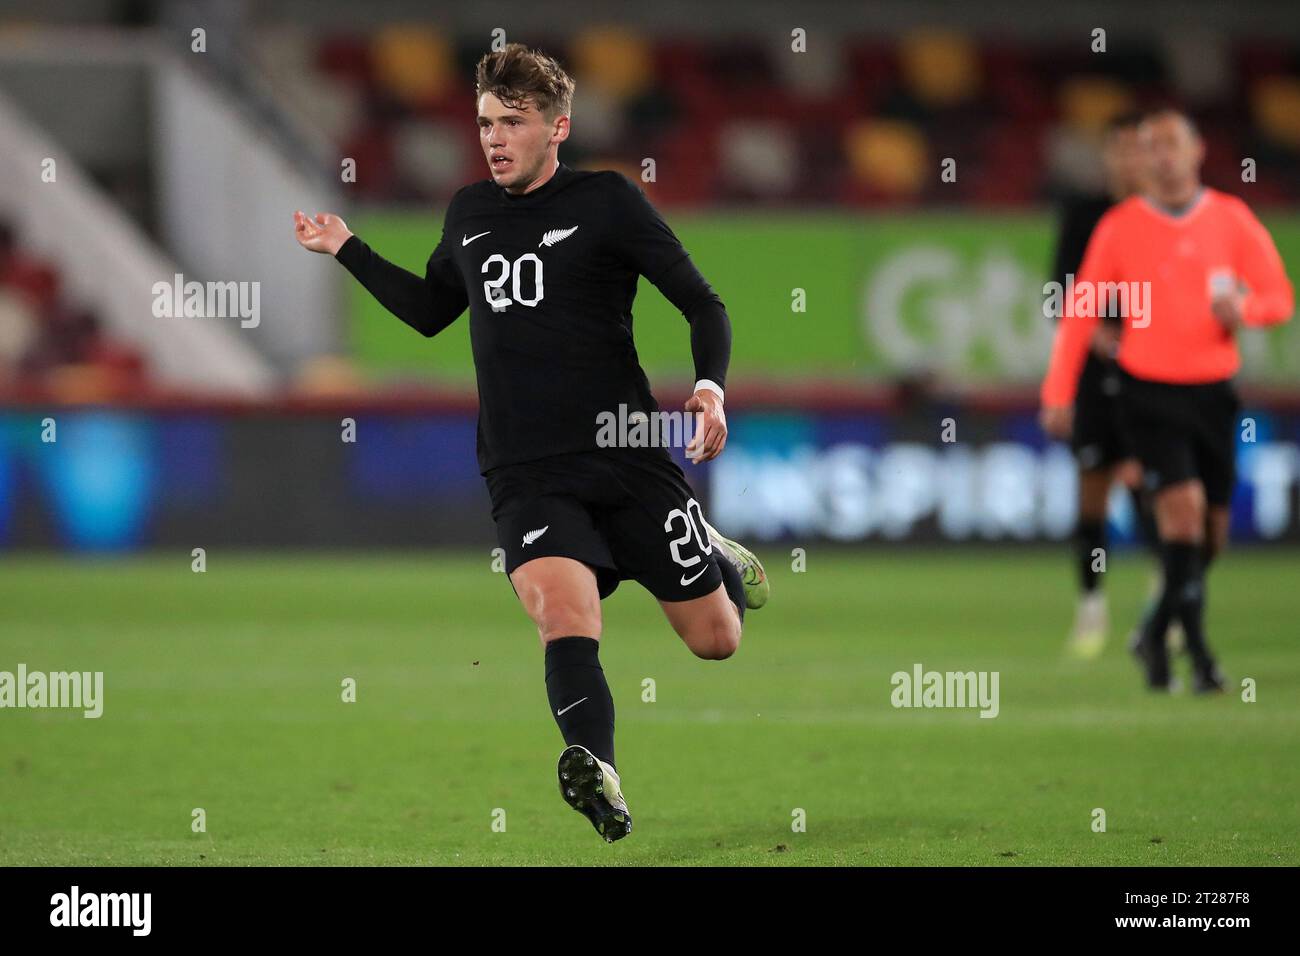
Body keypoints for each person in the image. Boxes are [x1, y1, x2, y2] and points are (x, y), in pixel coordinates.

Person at [293, 44, 768, 840]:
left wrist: (710, 387)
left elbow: (702, 303)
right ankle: (599, 769)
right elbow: (430, 310)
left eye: (512, 122)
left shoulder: (610, 201)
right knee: (563, 613)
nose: (494, 139)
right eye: (485, 123)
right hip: (524, 468)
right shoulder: (469, 212)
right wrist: (348, 247)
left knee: (716, 640)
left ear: (558, 128)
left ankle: (712, 552)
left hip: (626, 458)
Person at [1040, 109, 1293, 691]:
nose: (1160, 156)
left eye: (1170, 144)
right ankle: (1199, 659)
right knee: (1179, 510)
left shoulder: (1230, 219)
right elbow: (1079, 311)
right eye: (1150, 147)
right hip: (1146, 390)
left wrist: (1246, 311)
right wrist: (1057, 391)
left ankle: (1153, 631)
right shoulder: (1119, 226)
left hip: (1213, 392)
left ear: (1197, 150)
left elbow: (1278, 296)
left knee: (1212, 533)